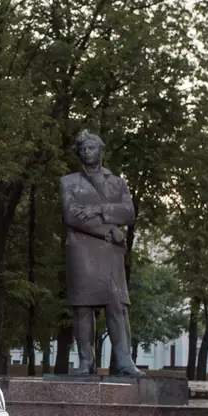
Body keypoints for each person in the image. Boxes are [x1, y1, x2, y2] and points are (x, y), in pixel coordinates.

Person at [59, 130, 144, 377]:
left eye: (91, 147)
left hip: (110, 255)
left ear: (101, 150)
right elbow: (71, 216)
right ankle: (86, 362)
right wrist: (109, 230)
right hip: (82, 250)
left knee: (117, 306)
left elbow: (128, 213)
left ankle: (125, 361)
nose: (87, 152)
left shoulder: (117, 182)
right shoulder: (68, 182)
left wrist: (98, 208)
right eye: (83, 149)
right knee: (83, 308)